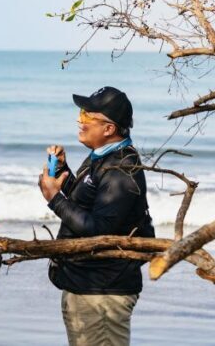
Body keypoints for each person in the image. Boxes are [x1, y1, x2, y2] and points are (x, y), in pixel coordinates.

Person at [38, 86, 154, 346]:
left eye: (87, 116)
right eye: (81, 112)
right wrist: (64, 174)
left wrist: (54, 199)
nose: (80, 121)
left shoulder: (122, 169)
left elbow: (99, 230)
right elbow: (90, 203)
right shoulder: (102, 158)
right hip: (88, 287)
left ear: (109, 129)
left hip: (103, 294)